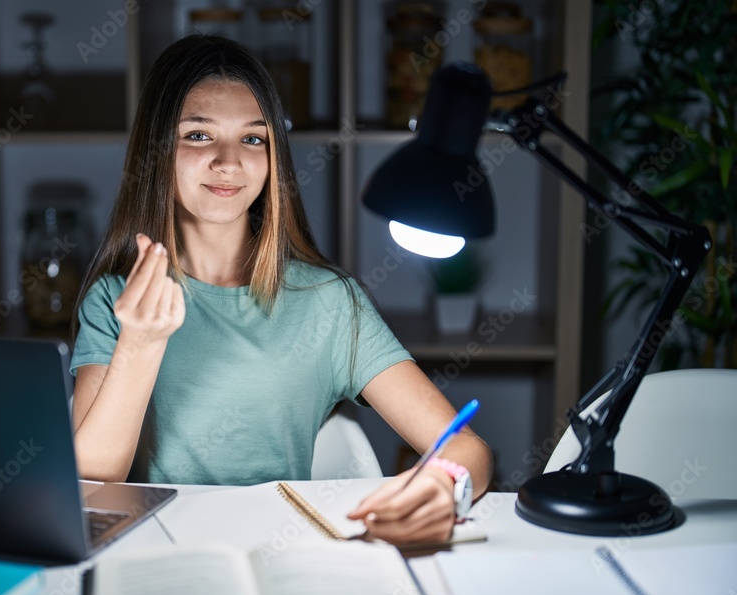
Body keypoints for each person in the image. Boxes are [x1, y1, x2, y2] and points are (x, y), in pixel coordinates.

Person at [71, 34, 492, 545]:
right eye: (199, 135)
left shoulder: (331, 302)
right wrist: (140, 342)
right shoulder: (116, 301)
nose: (229, 162)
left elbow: (468, 449)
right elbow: (91, 480)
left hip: (285, 552)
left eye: (253, 139)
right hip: (158, 555)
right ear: (156, 151)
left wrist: (444, 485)